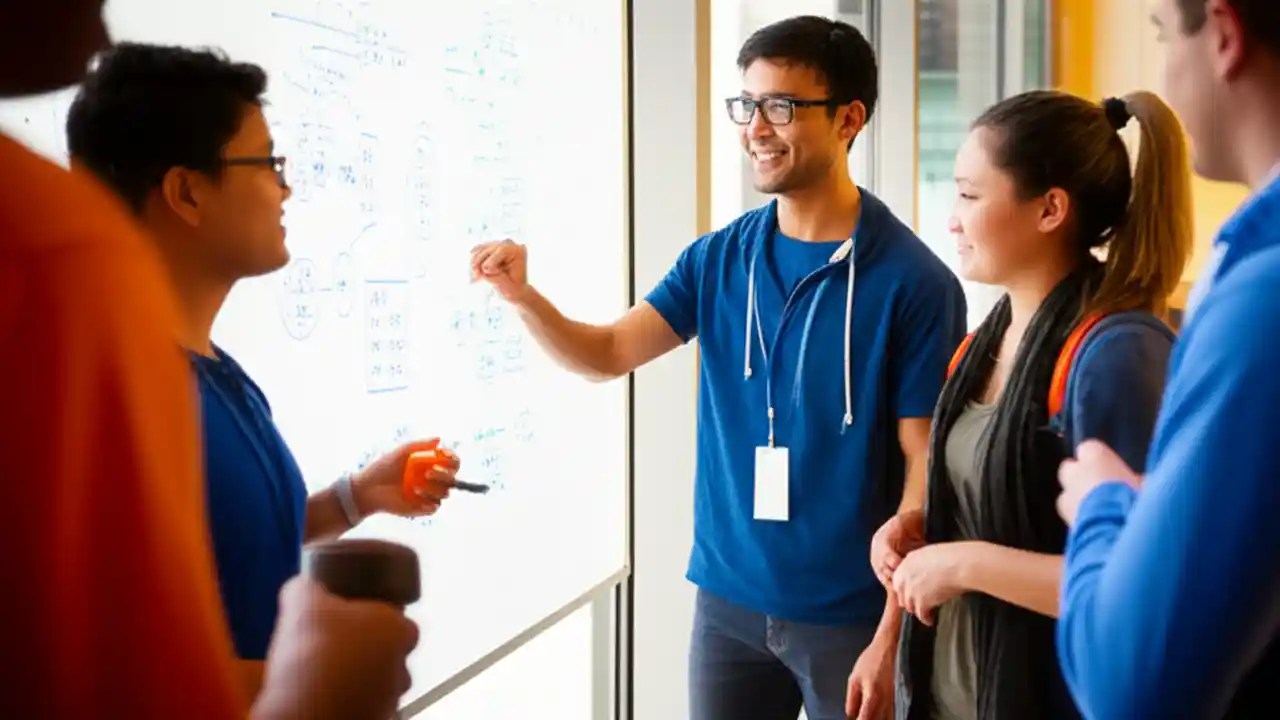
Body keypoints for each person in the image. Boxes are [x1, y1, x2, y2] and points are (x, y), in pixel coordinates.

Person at [473, 15, 965, 720]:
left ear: (849, 118)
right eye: (747, 104)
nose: (756, 127)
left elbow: (924, 466)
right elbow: (609, 353)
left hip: (849, 619)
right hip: (727, 610)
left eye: (782, 106)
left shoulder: (915, 283)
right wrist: (524, 299)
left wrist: (893, 635)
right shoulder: (717, 259)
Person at [0, 3, 418, 719]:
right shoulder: (97, 378)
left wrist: (353, 498)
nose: (287, 188)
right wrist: (320, 685)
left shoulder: (217, 371)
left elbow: (221, 546)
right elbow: (115, 677)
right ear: (187, 190)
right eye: (268, 163)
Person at [872, 87, 1193, 720]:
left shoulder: (1115, 355)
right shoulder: (979, 348)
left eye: (968, 194)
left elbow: (1143, 584)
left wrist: (964, 562)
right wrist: (934, 525)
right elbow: (1005, 499)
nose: (952, 219)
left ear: (1049, 210)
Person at [1055, 1, 1280, 716]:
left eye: (1161, 34)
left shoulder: (1261, 300)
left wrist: (1104, 503)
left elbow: (1131, 689)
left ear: (1222, 34)